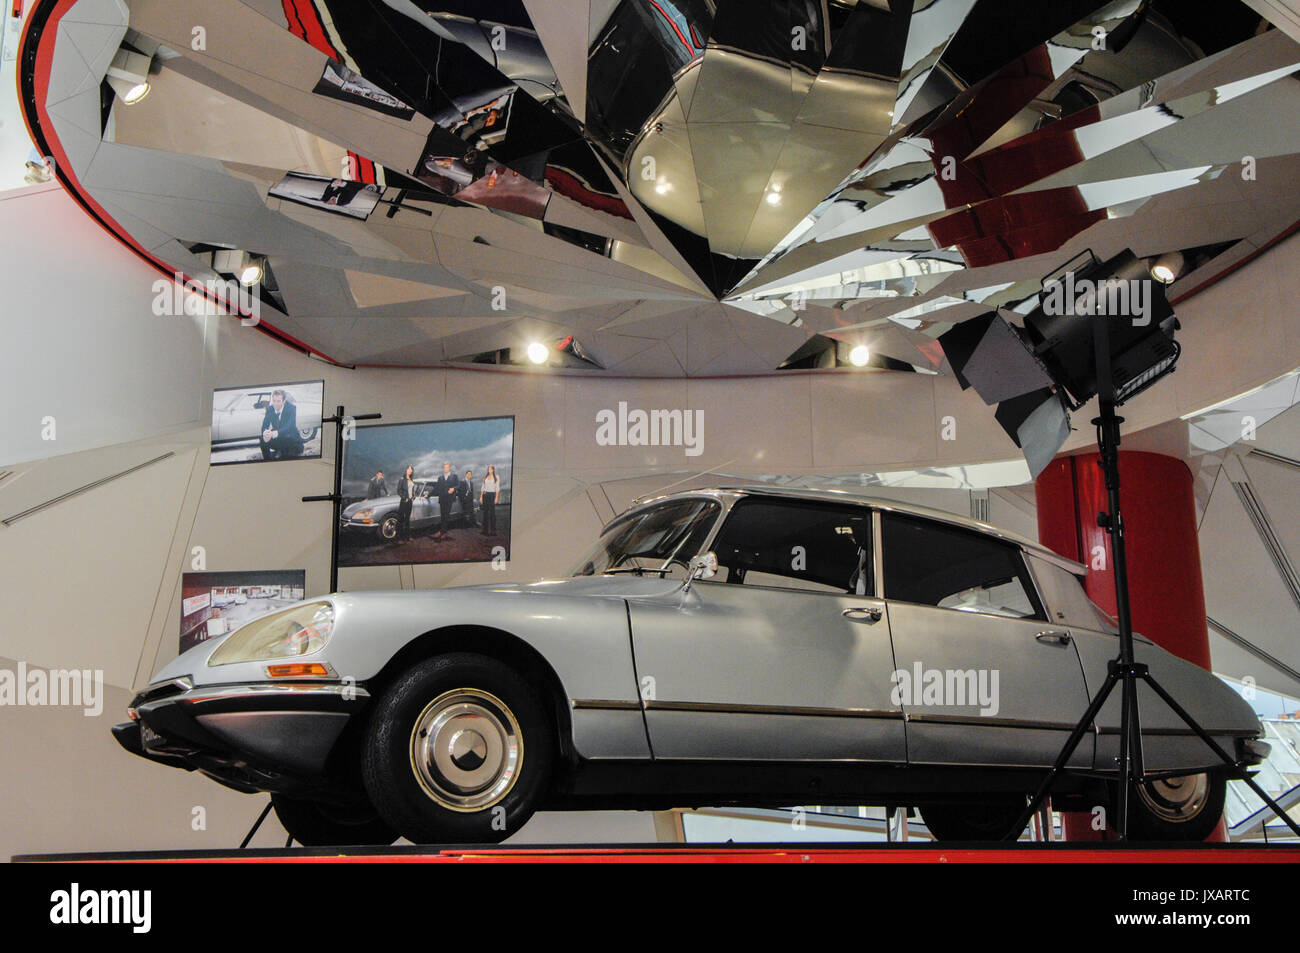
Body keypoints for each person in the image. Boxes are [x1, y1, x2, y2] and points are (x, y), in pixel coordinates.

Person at [259, 389, 305, 460]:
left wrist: (276, 433)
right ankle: (267, 460)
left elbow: (290, 426)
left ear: (283, 401)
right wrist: (265, 433)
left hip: (291, 438)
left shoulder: (291, 408)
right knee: (262, 438)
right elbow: (265, 424)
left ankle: (282, 453)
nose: (275, 404)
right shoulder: (269, 409)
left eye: (278, 401)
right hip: (278, 437)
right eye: (274, 401)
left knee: (286, 456)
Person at [432, 461, 459, 539]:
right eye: (444, 467)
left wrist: (453, 488)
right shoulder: (440, 478)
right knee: (443, 515)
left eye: (447, 467)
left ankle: (442, 532)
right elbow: (436, 488)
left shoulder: (454, 476)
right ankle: (443, 531)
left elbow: (458, 485)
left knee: (446, 515)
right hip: (442, 498)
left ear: (449, 467)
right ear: (443, 468)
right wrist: (429, 495)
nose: (446, 468)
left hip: (449, 499)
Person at [395, 465, 415, 543]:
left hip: (410, 501)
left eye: (411, 469)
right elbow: (399, 490)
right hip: (404, 501)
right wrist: (404, 498)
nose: (410, 470)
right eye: (409, 469)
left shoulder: (411, 479)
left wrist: (413, 497)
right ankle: (399, 538)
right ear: (406, 470)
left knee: (407, 519)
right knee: (400, 519)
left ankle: (407, 537)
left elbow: (412, 490)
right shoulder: (402, 479)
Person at [481, 465, 499, 537]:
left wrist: (496, 498)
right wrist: (481, 497)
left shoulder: (496, 477)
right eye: (488, 469)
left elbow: (497, 488)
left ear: (493, 470)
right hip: (485, 495)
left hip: (492, 495)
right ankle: (485, 530)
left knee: (492, 513)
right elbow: (483, 487)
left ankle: (493, 531)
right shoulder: (485, 477)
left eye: (491, 469)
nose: (489, 470)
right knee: (485, 513)